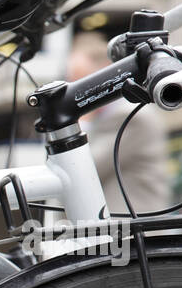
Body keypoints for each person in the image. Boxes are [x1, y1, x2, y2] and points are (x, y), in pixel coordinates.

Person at [66, 31, 171, 216]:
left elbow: (82, 169)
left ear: (103, 74)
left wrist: (80, 123)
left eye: (80, 81)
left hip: (132, 233)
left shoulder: (130, 118)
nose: (75, 94)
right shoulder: (112, 117)